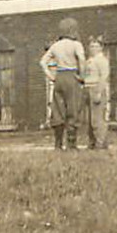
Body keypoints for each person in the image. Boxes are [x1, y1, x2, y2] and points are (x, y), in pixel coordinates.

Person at [39, 18, 86, 151]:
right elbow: (82, 59)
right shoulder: (76, 45)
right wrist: (82, 76)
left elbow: (43, 62)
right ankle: (71, 144)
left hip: (59, 76)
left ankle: (58, 144)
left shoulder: (55, 46)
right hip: (72, 76)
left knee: (58, 109)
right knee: (73, 108)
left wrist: (51, 77)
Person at [81, 38, 111, 150]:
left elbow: (104, 77)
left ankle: (100, 143)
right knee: (90, 119)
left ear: (101, 48)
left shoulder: (101, 60)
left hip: (96, 89)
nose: (93, 49)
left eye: (96, 46)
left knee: (97, 118)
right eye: (91, 46)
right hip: (88, 88)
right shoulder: (89, 60)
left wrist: (98, 92)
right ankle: (92, 142)